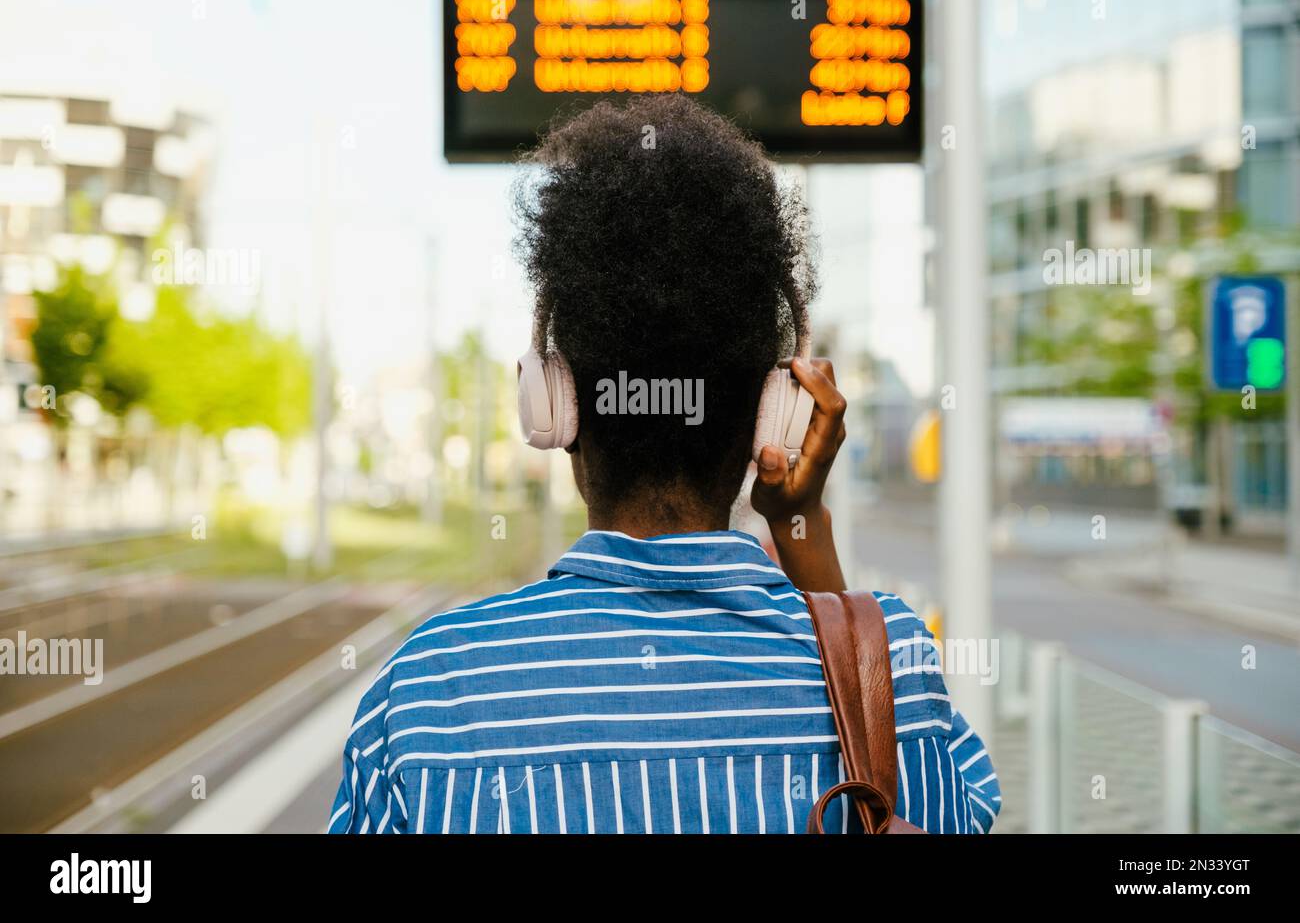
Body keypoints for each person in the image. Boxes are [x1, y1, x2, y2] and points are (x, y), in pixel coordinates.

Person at [329, 94, 999, 834]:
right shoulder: (898, 672)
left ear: (557, 407)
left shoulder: (430, 694)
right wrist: (803, 529)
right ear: (771, 414)